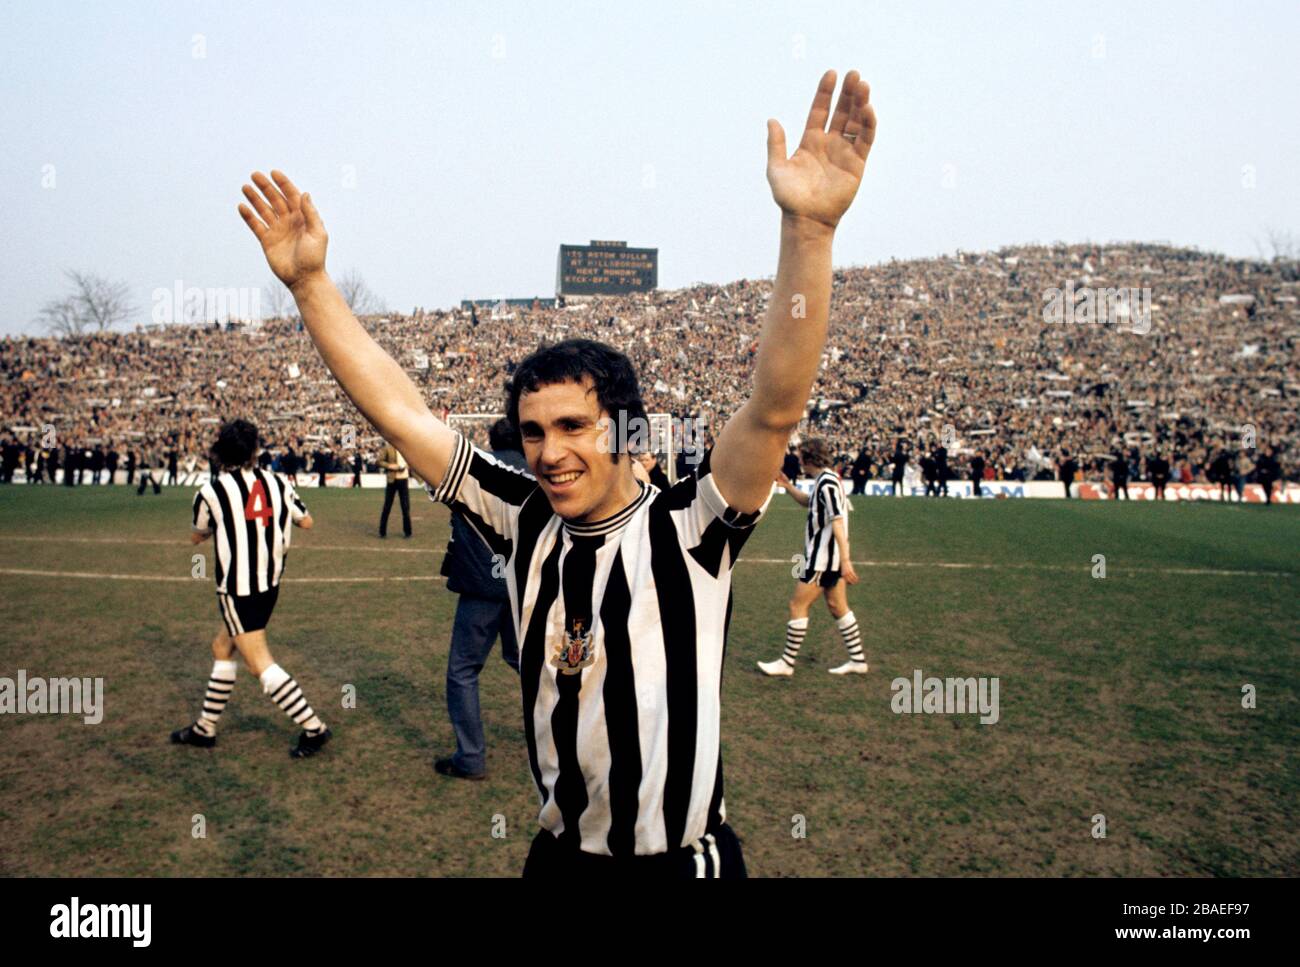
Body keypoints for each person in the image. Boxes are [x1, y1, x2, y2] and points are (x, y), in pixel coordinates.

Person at [236, 67, 876, 877]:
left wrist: (809, 234)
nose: (549, 450)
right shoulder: (521, 511)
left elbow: (774, 410)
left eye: (574, 426)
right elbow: (404, 416)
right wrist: (311, 284)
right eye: (534, 431)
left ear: (625, 430)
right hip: (559, 858)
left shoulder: (691, 527)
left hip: (678, 863)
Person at [172, 419, 330, 758]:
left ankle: (314, 727)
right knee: (222, 646)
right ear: (255, 450)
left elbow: (197, 536)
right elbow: (307, 521)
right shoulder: (277, 482)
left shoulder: (212, 492)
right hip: (269, 584)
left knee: (259, 664)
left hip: (237, 588)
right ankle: (205, 728)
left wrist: (218, 528)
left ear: (222, 452)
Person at [435, 419, 527, 780]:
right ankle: (573, 738)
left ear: (489, 439)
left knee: (463, 671)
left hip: (482, 587)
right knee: (530, 666)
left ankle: (471, 757)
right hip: (525, 588)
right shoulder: (537, 470)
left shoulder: (475, 469)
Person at [758, 438, 865, 677]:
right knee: (837, 606)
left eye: (800, 457)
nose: (799, 462)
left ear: (809, 458)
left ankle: (786, 663)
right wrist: (787, 486)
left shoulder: (826, 483)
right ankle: (858, 660)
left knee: (797, 605)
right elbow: (809, 503)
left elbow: (837, 520)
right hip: (829, 558)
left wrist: (845, 561)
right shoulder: (825, 480)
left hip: (823, 559)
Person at [377, 438, 412, 538]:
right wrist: (390, 466)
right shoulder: (388, 448)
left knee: (405, 507)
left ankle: (408, 532)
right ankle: (382, 532)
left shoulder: (406, 449)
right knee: (387, 506)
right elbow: (379, 462)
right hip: (392, 480)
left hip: (403, 479)